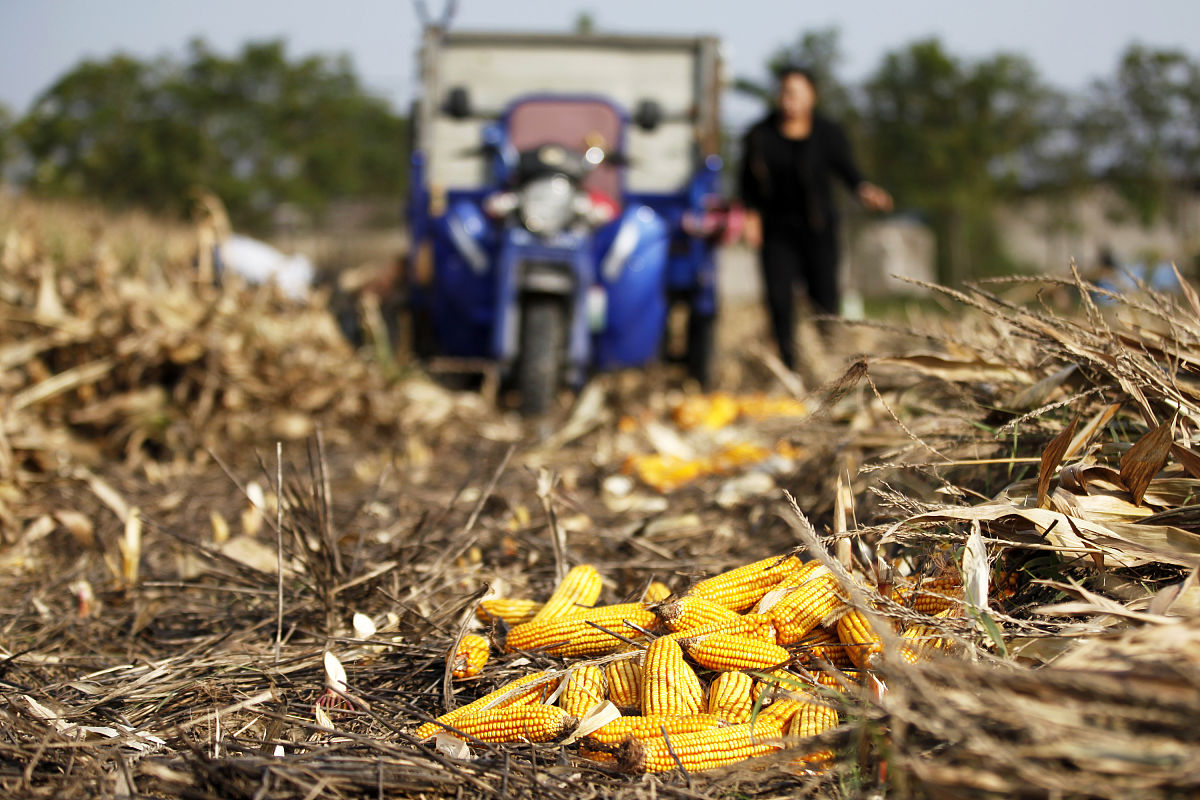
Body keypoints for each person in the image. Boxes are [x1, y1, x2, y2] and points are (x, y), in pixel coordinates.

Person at [739, 64, 892, 370]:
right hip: (777, 232)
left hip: (818, 231)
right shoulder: (759, 134)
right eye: (784, 92)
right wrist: (751, 217)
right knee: (779, 301)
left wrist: (864, 189)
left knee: (823, 299)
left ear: (812, 96)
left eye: (795, 92)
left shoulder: (828, 133)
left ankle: (829, 363)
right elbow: (746, 183)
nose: (788, 99)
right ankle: (789, 367)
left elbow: (847, 170)